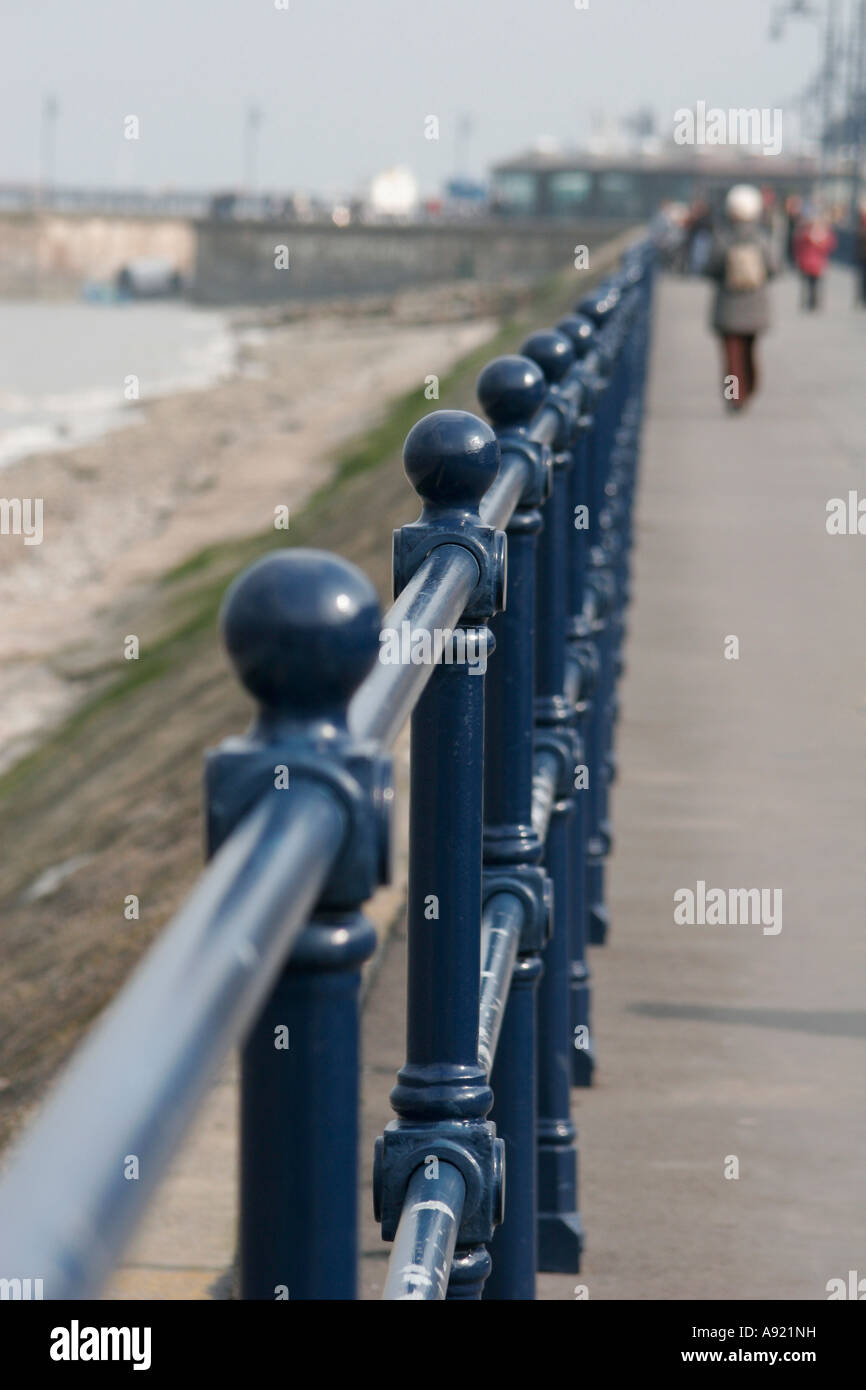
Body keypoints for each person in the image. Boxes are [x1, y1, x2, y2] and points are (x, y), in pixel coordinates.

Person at [704, 184, 776, 413]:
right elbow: (774, 267)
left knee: (731, 356)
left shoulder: (723, 237)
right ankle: (750, 388)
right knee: (749, 351)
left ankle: (734, 397)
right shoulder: (763, 238)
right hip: (755, 306)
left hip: (728, 306)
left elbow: (710, 267)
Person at [793, 209, 837, 311]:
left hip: (816, 263)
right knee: (808, 284)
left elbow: (830, 245)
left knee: (814, 284)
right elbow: (798, 246)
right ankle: (809, 302)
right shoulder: (804, 233)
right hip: (808, 263)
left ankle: (814, 302)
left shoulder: (821, 234)